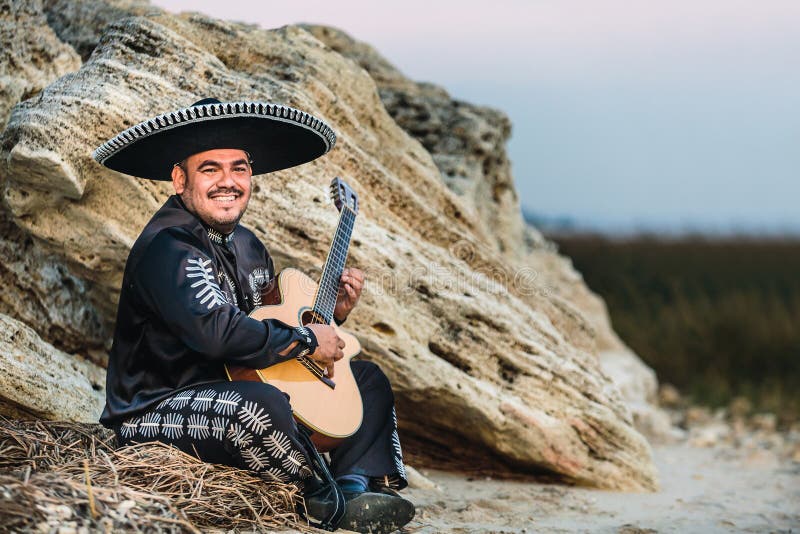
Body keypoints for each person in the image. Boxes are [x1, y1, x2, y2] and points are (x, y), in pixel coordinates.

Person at [94, 98, 414, 533]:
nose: (228, 182)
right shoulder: (169, 246)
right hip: (156, 409)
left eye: (239, 169)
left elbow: (264, 321)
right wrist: (307, 340)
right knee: (259, 404)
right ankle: (317, 493)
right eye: (210, 169)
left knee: (366, 378)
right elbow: (218, 333)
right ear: (180, 179)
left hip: (239, 381)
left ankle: (354, 485)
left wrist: (329, 319)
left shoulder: (248, 245)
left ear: (250, 177)